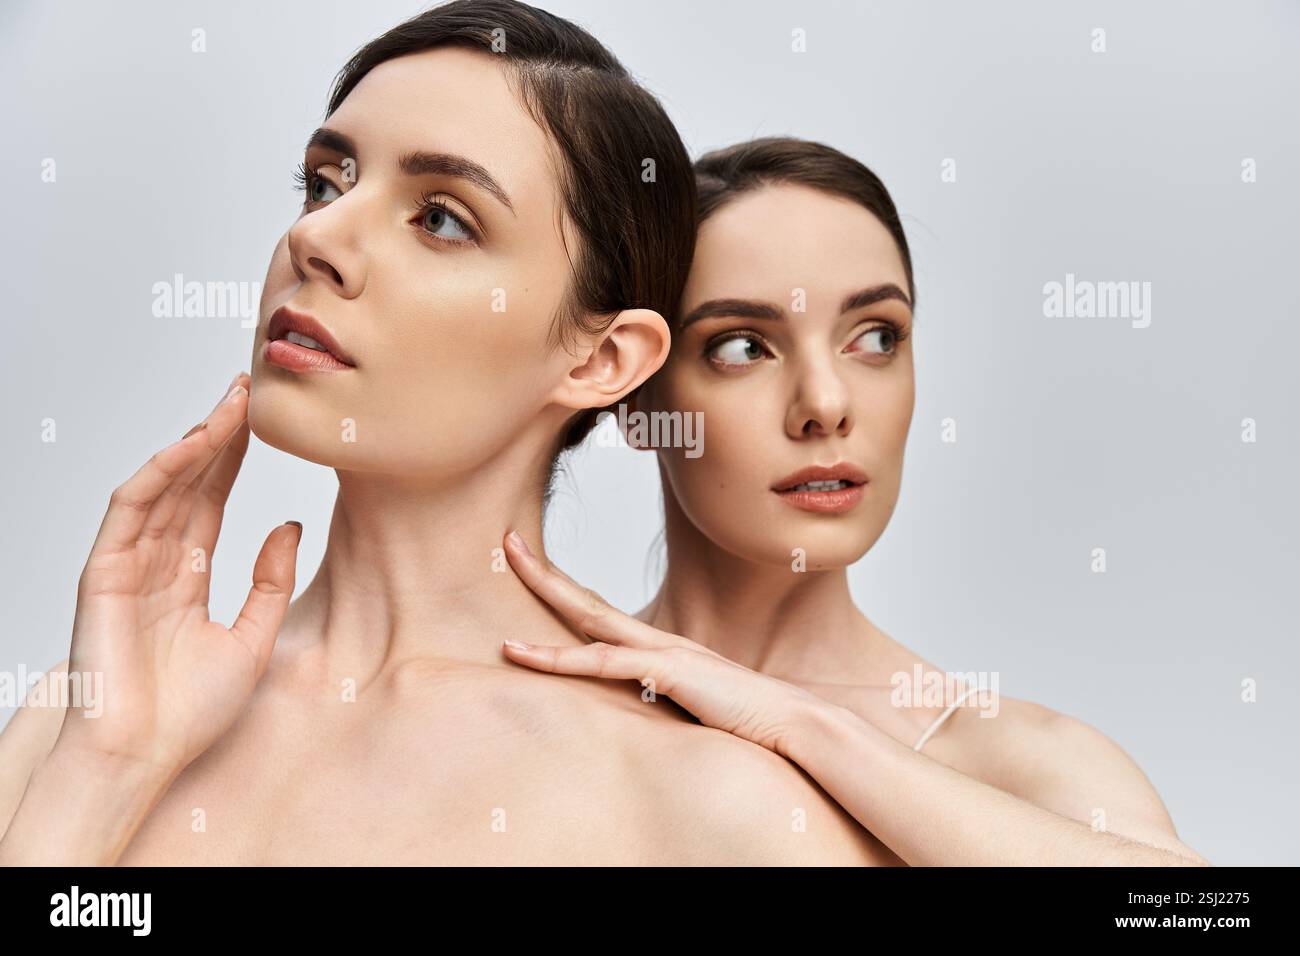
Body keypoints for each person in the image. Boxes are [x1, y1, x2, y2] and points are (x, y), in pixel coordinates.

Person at [0, 4, 892, 866]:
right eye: (327, 181)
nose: (317, 236)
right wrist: (106, 770)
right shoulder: (87, 719)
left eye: (440, 218)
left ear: (603, 360)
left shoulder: (717, 802)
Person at [498, 137, 1210, 866]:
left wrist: (805, 725)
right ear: (635, 393)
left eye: (875, 337)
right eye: (743, 346)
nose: (827, 405)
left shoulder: (1021, 759)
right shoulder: (537, 722)